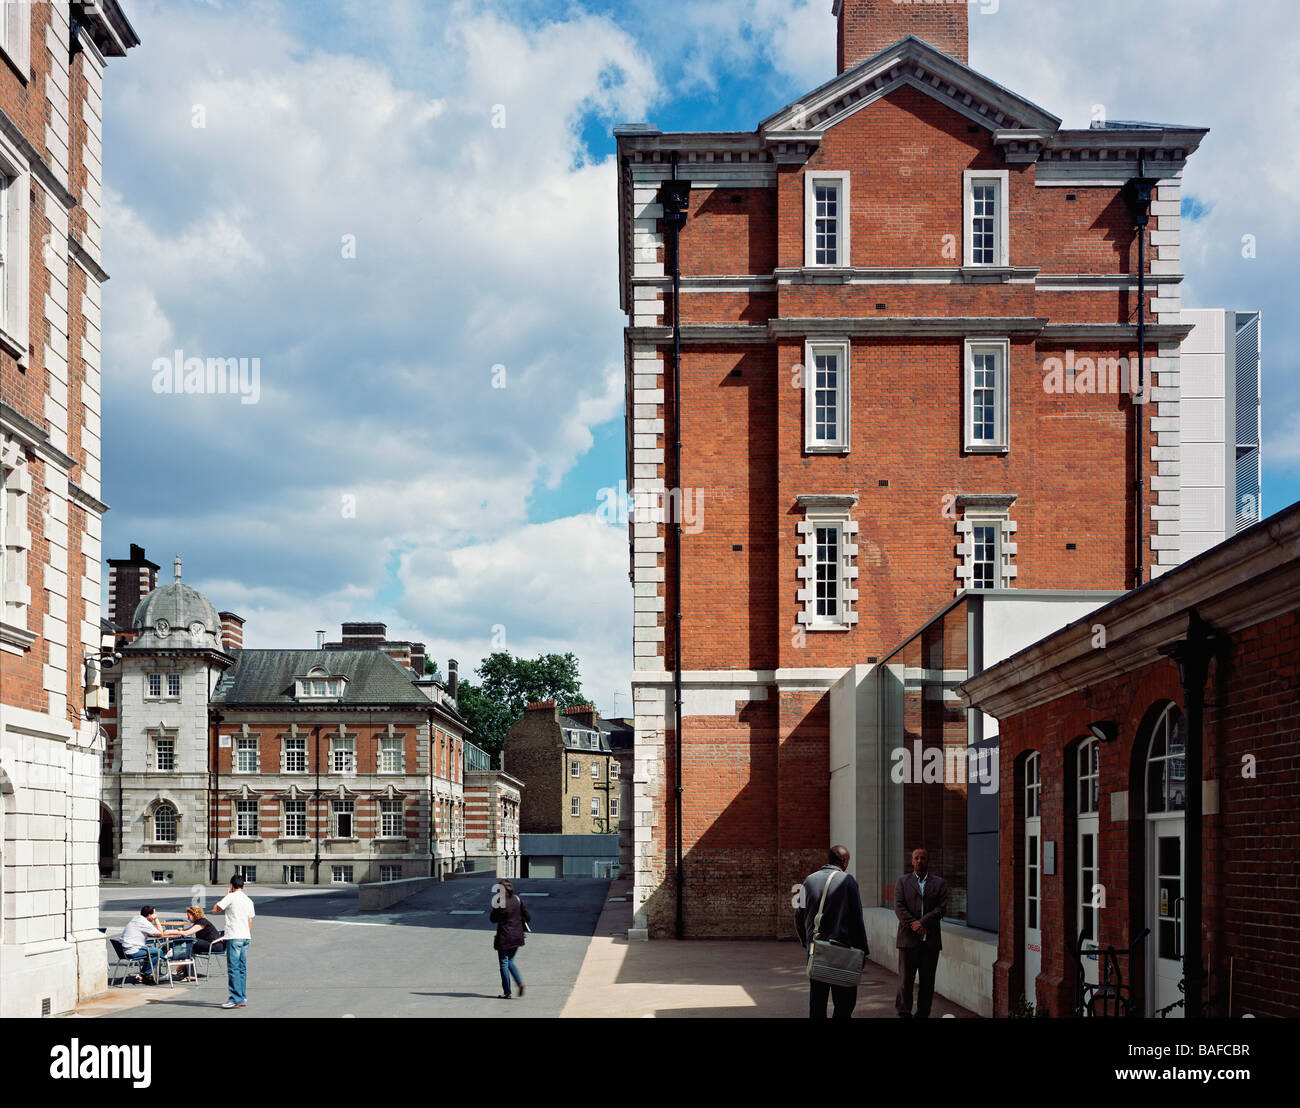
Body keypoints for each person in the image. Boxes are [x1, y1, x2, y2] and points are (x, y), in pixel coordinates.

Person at [795, 845, 870, 1019]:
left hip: (816, 948)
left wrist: (807, 943)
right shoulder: (848, 882)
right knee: (844, 1003)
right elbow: (857, 920)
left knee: (817, 1002)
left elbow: (799, 915)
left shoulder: (808, 881)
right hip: (841, 951)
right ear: (844, 861)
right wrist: (863, 951)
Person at [895, 846, 949, 1019]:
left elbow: (942, 908)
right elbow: (899, 906)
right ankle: (904, 1013)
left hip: (930, 942)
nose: (919, 861)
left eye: (923, 858)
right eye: (916, 858)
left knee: (927, 983)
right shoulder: (902, 882)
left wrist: (923, 922)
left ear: (928, 861)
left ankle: (922, 1014)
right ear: (912, 861)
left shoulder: (939, 883)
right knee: (905, 982)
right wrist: (913, 924)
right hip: (908, 941)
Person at [212, 874, 255, 1009]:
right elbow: (250, 920)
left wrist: (226, 896)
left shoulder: (230, 897)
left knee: (233, 968)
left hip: (234, 936)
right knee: (242, 968)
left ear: (231, 885)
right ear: (243, 885)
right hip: (245, 936)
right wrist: (246, 933)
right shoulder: (248, 900)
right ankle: (242, 997)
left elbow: (215, 910)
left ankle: (235, 998)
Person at [489, 879, 531, 999]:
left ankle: (507, 992)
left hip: (504, 937)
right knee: (510, 961)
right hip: (517, 936)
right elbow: (528, 917)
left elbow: (492, 919)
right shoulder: (517, 899)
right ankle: (519, 983)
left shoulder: (500, 902)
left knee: (504, 963)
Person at [161, 905, 222, 982]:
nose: (188, 918)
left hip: (214, 945)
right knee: (189, 946)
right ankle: (187, 972)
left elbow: (186, 933)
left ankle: (188, 973)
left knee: (189, 942)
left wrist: (169, 931)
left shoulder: (202, 922)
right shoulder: (198, 922)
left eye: (189, 916)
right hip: (208, 944)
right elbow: (186, 930)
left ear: (194, 914)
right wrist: (178, 931)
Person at [119, 905, 165, 985]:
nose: (156, 915)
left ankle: (145, 974)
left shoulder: (136, 919)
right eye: (155, 914)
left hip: (125, 950)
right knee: (158, 952)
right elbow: (160, 933)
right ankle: (146, 974)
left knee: (153, 952)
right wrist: (156, 919)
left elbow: (147, 933)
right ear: (150, 915)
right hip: (133, 951)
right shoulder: (144, 922)